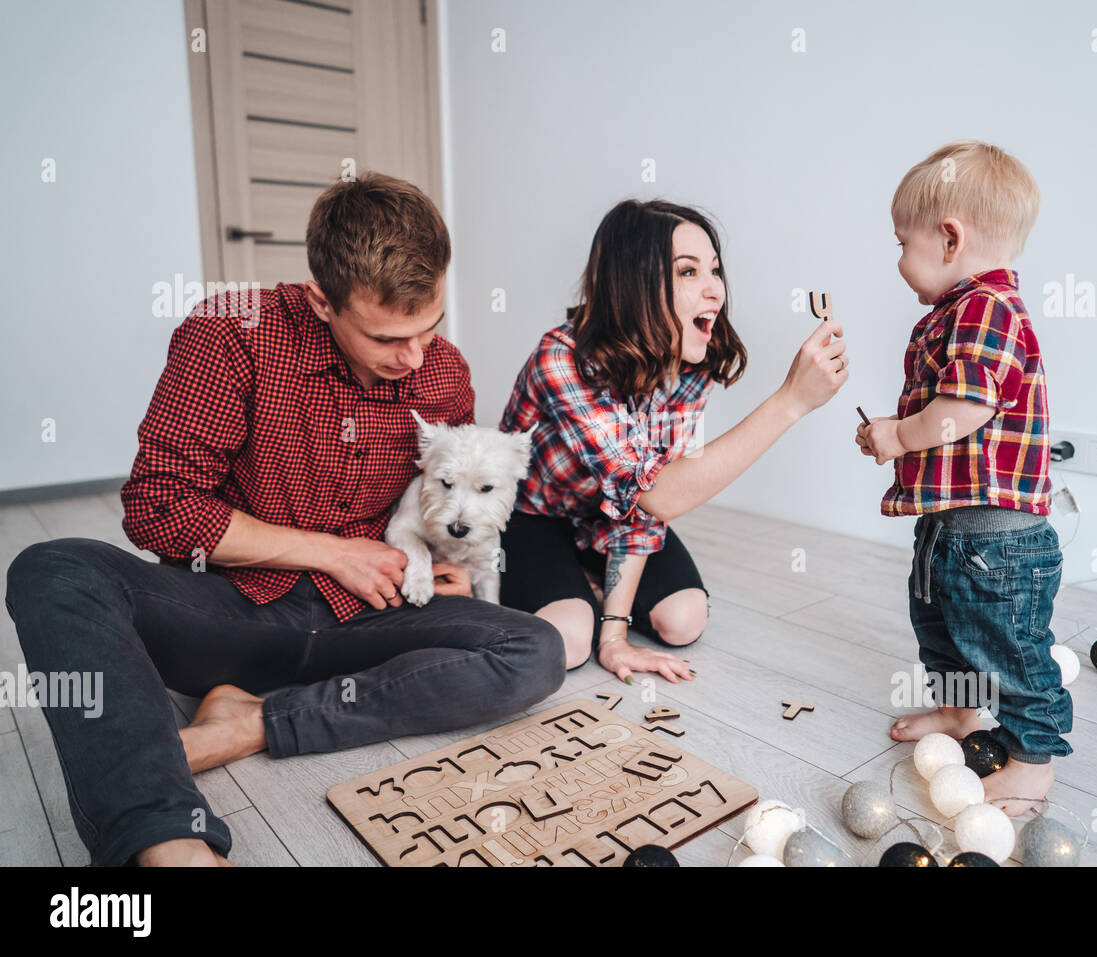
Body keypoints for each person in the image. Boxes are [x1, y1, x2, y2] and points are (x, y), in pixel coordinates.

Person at [3, 172, 565, 867]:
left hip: (373, 615)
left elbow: (437, 502)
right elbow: (159, 505)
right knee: (52, 570)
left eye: (430, 327)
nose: (416, 356)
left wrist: (441, 563)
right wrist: (332, 552)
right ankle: (167, 841)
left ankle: (249, 722)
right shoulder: (229, 332)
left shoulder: (444, 372)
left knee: (535, 649)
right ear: (321, 298)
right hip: (232, 613)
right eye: (389, 337)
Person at [498, 199, 850, 682]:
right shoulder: (561, 357)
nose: (714, 290)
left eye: (715, 270)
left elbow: (645, 506)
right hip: (536, 515)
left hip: (610, 515)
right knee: (568, 642)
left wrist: (616, 636)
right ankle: (567, 587)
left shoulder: (688, 366)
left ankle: (590, 585)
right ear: (632, 285)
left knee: (683, 620)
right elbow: (660, 491)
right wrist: (790, 402)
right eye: (688, 272)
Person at [857, 140, 1068, 816]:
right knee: (942, 627)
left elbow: (966, 409)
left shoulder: (985, 309)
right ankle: (958, 715)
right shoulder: (963, 313)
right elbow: (950, 403)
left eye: (902, 242)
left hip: (998, 540)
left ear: (949, 239)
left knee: (1007, 645)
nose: (897, 259)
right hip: (954, 527)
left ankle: (1033, 761)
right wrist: (895, 425)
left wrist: (900, 435)